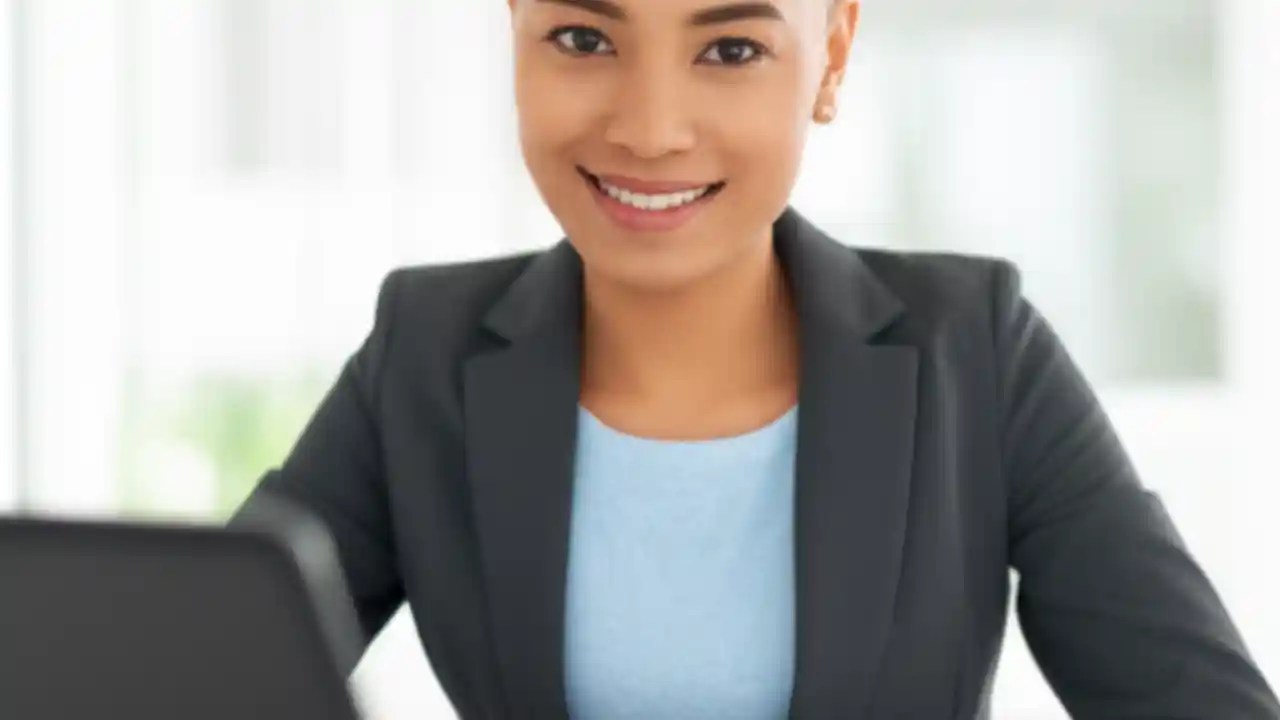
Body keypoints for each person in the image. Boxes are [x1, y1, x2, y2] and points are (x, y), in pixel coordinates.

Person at [229, 0, 1280, 717]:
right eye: (584, 38)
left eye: (728, 48)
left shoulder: (975, 352)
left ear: (830, 52)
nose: (648, 128)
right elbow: (187, 675)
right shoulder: (425, 353)